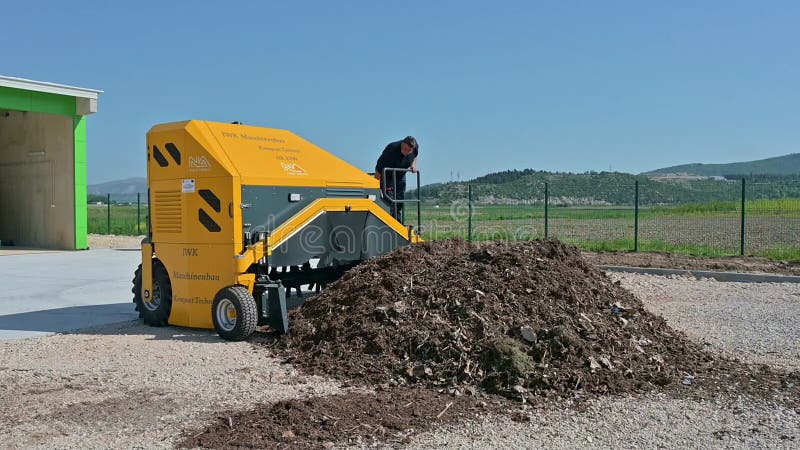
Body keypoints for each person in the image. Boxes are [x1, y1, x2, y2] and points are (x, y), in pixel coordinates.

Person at [374, 136, 419, 221]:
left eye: (409, 151)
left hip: (401, 175)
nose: (406, 152)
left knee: (399, 199)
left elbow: (415, 156)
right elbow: (379, 167)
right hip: (387, 175)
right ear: (402, 143)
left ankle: (397, 222)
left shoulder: (415, 147)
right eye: (404, 149)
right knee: (389, 199)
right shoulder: (392, 148)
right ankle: (388, 221)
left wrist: (413, 165)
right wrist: (375, 185)